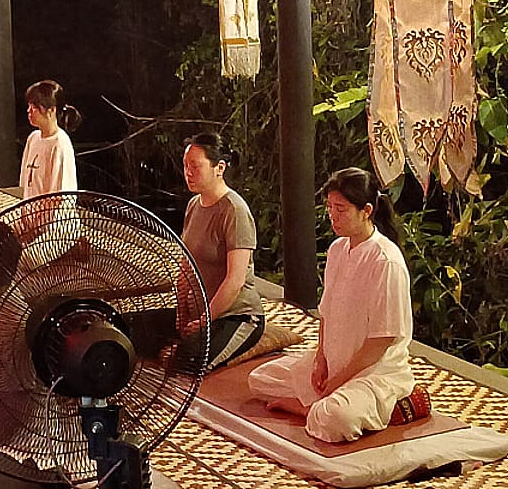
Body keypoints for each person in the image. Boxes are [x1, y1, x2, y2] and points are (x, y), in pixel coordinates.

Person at [247, 167, 421, 443]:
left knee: (335, 419)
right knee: (260, 379)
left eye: (341, 209)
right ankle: (319, 403)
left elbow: (381, 340)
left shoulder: (385, 261)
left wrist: (337, 382)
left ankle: (311, 409)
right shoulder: (337, 250)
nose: (332, 216)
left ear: (366, 210)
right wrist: (320, 360)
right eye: (329, 207)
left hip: (373, 374)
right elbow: (326, 314)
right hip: (333, 364)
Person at [180, 132, 264, 369]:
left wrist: (206, 319)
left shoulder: (234, 210)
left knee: (191, 361)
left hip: (235, 315)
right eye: (185, 166)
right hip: (199, 310)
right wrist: (181, 311)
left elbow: (234, 281)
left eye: (195, 166)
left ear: (219, 168)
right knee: (134, 329)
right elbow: (186, 265)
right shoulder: (193, 205)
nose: (188, 172)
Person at [19, 79, 81, 200]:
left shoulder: (60, 143)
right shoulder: (33, 138)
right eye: (29, 106)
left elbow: (61, 196)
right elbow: (25, 185)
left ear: (51, 110)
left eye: (34, 107)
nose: (29, 111)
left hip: (52, 216)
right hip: (31, 214)